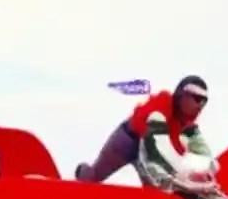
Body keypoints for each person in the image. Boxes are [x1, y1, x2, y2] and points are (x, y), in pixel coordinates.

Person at [75, 76, 211, 184]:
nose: (199, 105)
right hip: (127, 141)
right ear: (182, 95)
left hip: (147, 154)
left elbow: (192, 154)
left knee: (159, 192)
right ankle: (79, 175)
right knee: (93, 178)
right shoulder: (163, 102)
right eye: (197, 98)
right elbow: (157, 144)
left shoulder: (188, 126)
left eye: (204, 101)